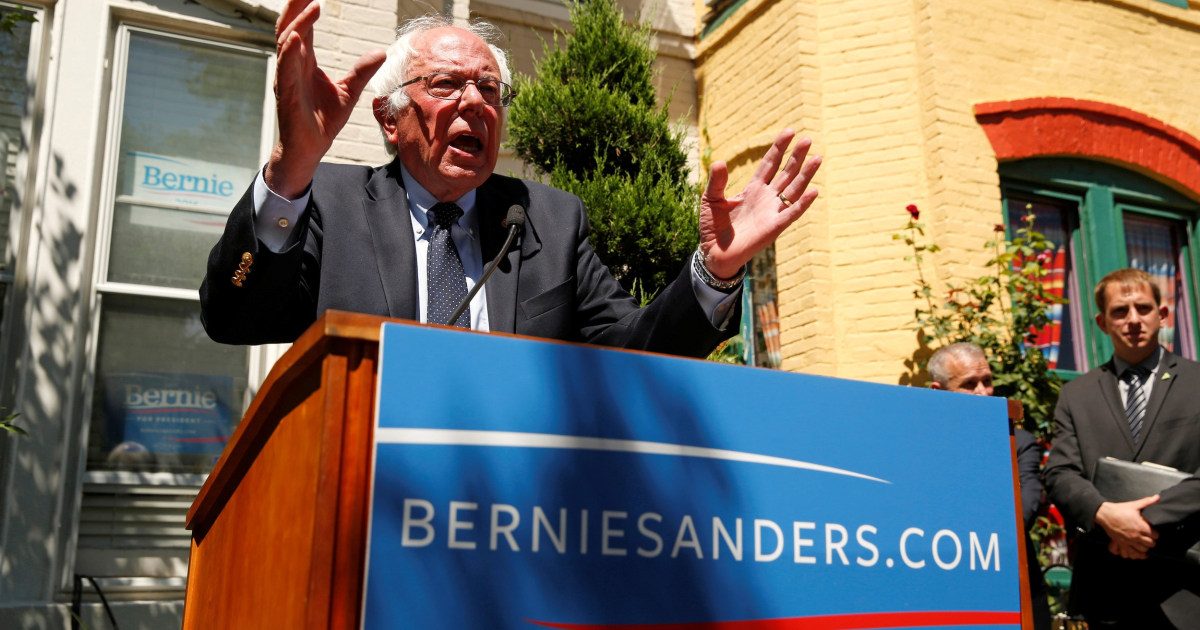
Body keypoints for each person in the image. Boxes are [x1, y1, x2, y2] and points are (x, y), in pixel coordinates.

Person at [199, 0, 822, 359]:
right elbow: (233, 318)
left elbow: (632, 354)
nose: (475, 101)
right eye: (446, 84)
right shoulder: (328, 202)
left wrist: (714, 273)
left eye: (491, 89)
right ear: (391, 121)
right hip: (364, 508)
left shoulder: (549, 219)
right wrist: (290, 170)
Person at [1044, 268, 1200, 629]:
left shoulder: (1196, 382)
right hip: (1108, 589)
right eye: (1119, 311)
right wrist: (1103, 514)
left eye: (1143, 308)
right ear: (1101, 322)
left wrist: (1136, 522)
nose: (1133, 320)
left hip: (1188, 586)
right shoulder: (1076, 394)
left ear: (1162, 315)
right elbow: (1061, 473)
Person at [928, 342, 1052, 630]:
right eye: (969, 384)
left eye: (987, 381)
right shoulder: (923, 452)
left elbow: (1025, 507)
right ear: (938, 392)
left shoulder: (1019, 444)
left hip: (1015, 588)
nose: (983, 392)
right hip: (945, 592)